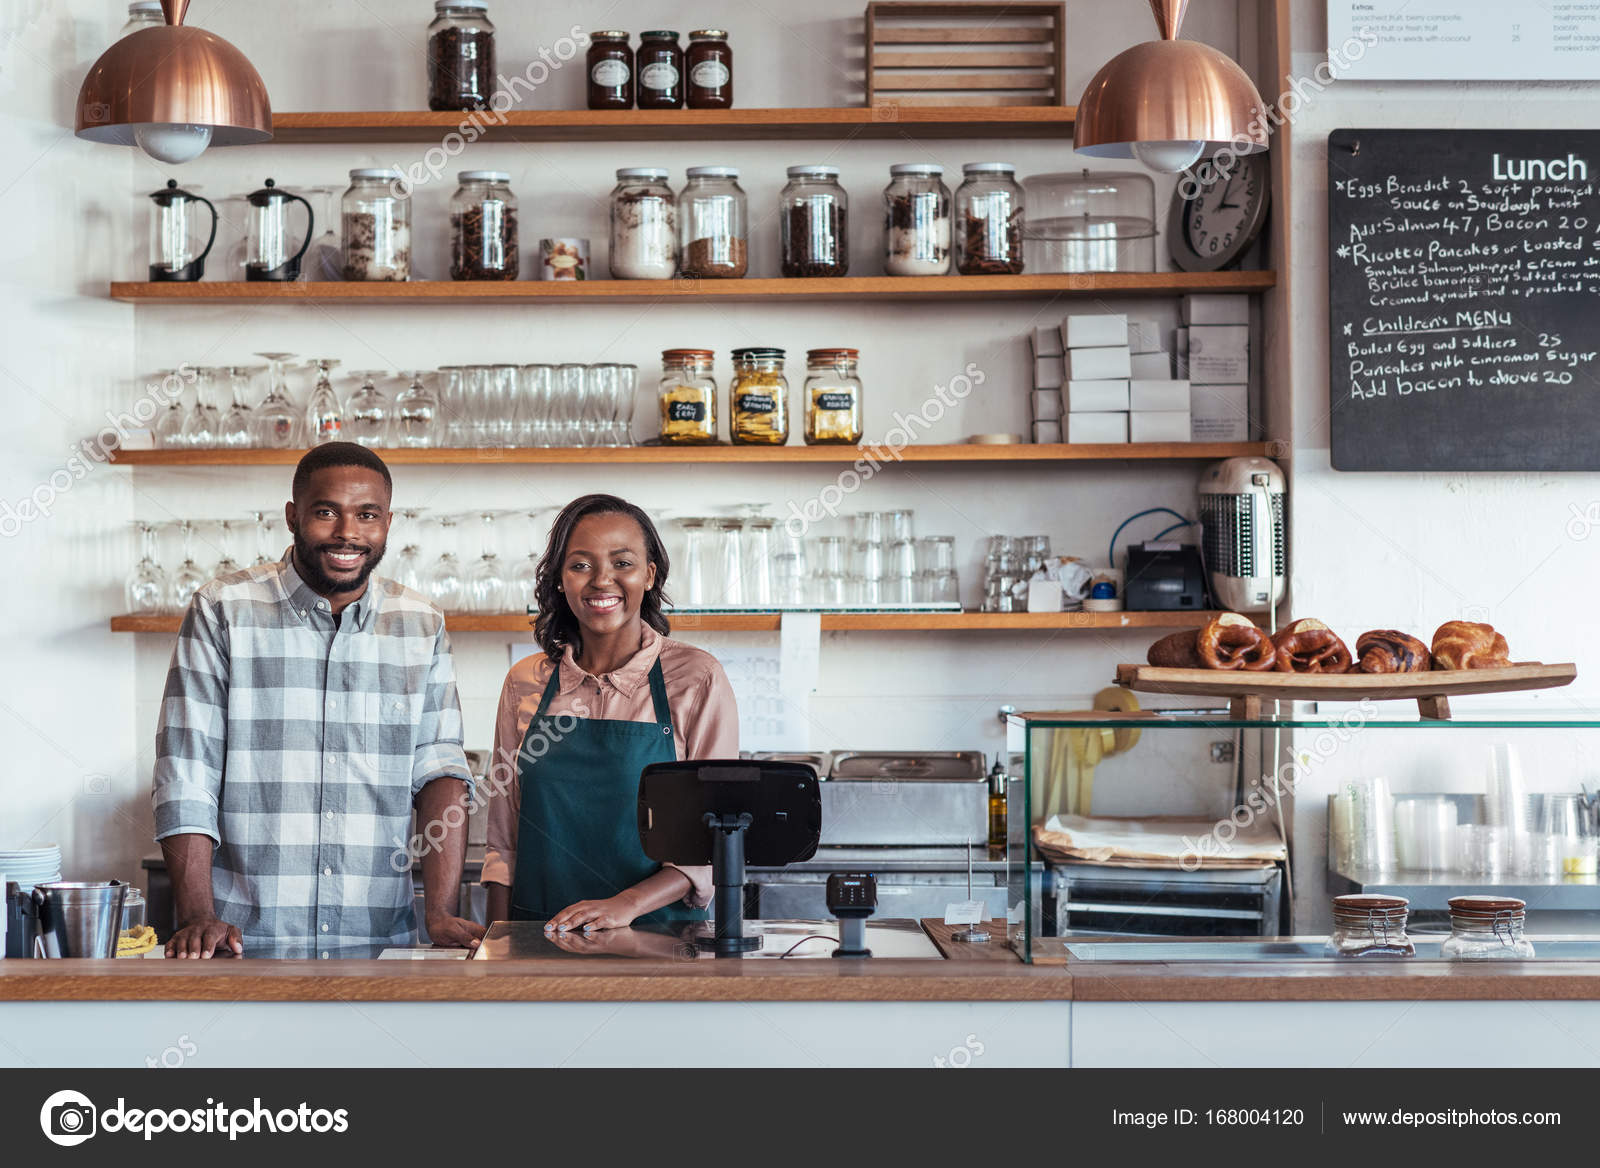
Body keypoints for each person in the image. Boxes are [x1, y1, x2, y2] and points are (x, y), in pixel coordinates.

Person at [151, 443, 483, 958]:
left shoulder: (421, 622)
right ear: (293, 516)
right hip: (242, 946)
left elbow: (439, 769)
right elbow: (186, 771)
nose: (348, 533)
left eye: (367, 515)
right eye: (326, 512)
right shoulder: (223, 610)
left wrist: (438, 910)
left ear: (388, 523)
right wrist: (198, 914)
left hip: (379, 946)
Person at [481, 494, 738, 932]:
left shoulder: (697, 678)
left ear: (650, 575)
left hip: (660, 941)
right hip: (540, 937)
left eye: (623, 563)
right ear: (560, 579)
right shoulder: (526, 681)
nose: (602, 581)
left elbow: (710, 843)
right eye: (580, 565)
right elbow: (503, 838)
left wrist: (625, 905)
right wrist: (497, 945)